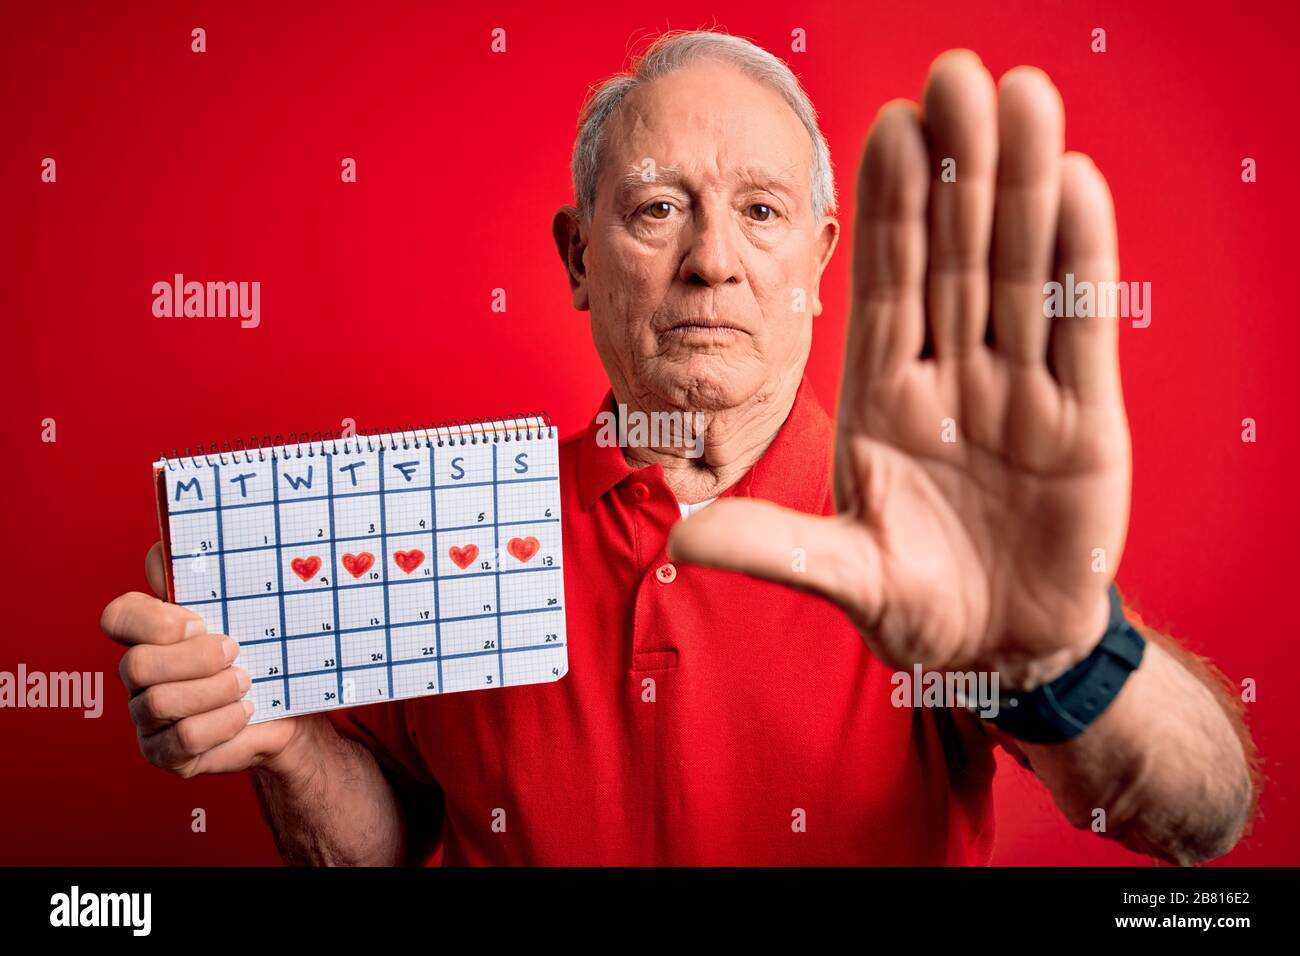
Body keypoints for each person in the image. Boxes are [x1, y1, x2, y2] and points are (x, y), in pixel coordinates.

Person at [101, 30, 1256, 865]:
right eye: (657, 209)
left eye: (759, 211)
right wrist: (290, 743)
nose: (712, 260)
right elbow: (392, 836)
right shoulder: (447, 527)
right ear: (576, 258)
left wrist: (1065, 656)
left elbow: (1202, 818)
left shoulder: (926, 540)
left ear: (817, 256)